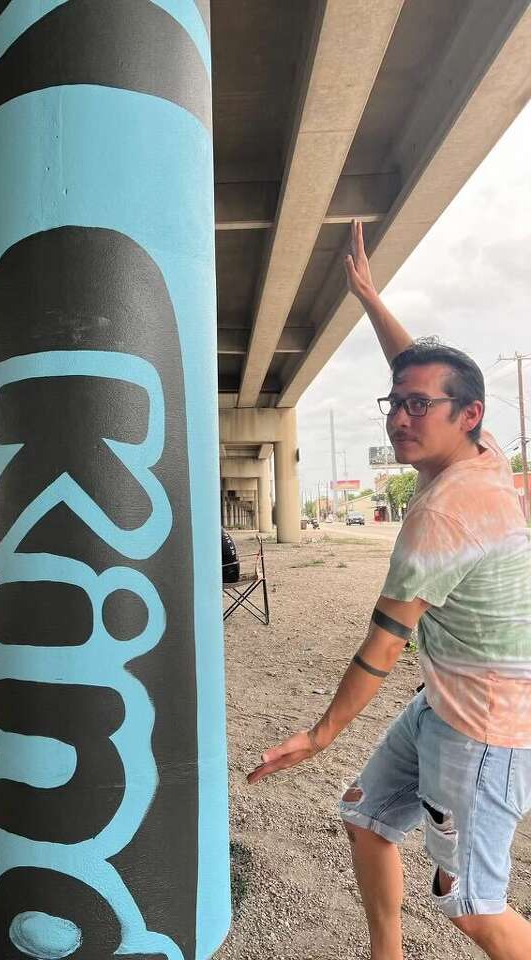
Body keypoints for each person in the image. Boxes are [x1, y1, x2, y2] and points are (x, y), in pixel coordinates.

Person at [248, 220, 531, 960]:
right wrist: (370, 299)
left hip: (486, 727)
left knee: (472, 906)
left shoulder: (443, 513)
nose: (402, 417)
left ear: (467, 416)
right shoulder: (483, 455)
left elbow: (381, 647)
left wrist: (320, 734)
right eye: (394, 403)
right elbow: (421, 370)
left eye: (418, 408)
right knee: (368, 818)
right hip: (444, 703)